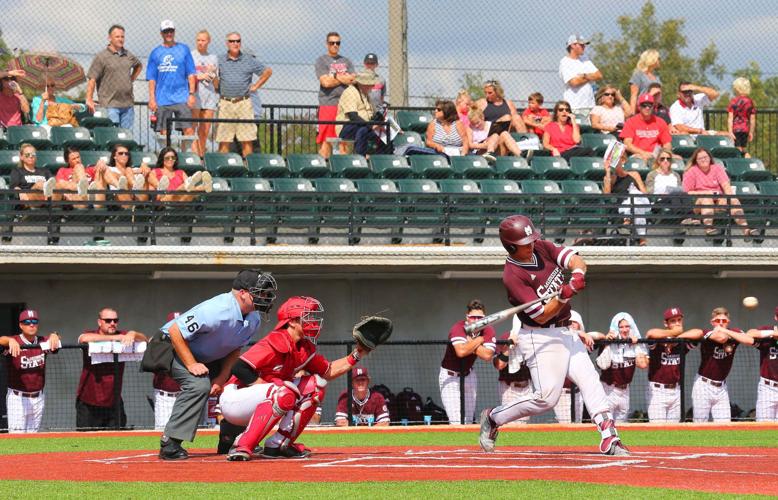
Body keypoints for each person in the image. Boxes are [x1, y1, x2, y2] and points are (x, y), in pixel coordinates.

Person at [479, 215, 628, 456]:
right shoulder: (512, 276)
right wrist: (564, 295)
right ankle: (494, 417)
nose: (531, 244)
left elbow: (575, 259)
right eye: (525, 242)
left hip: (566, 329)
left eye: (531, 239)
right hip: (539, 337)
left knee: (589, 377)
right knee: (546, 398)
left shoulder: (541, 247)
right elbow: (541, 316)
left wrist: (577, 274)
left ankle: (610, 436)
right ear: (511, 246)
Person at [217, 296, 372, 461]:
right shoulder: (274, 341)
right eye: (306, 317)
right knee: (284, 391)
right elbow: (239, 367)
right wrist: (270, 388)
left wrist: (358, 353)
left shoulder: (303, 347)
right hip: (234, 399)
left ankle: (278, 445)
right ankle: (243, 445)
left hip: (266, 400)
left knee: (316, 386)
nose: (313, 321)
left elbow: (328, 371)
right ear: (291, 322)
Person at [157, 269, 278, 460]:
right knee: (198, 385)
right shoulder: (216, 309)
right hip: (170, 345)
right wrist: (191, 364)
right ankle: (170, 443)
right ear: (243, 293)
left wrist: (222, 378)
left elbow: (234, 349)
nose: (264, 297)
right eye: (259, 292)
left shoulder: (253, 317)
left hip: (208, 355)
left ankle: (231, 439)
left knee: (238, 384)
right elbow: (175, 331)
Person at [76, 307, 147, 430]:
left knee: (116, 439)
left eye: (115, 320)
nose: (112, 323)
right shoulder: (92, 334)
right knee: (85, 441)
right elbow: (83, 338)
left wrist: (133, 333)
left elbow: (144, 339)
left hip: (113, 401)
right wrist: (114, 338)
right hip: (88, 401)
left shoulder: (123, 335)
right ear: (100, 322)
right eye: (108, 320)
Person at [0, 310, 61, 433]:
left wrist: (55, 334)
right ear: (21, 325)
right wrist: (10, 341)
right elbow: (1, 339)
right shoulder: (15, 340)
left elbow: (56, 339)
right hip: (18, 398)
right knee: (17, 439)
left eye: (34, 322)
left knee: (33, 438)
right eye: (27, 322)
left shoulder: (42, 341)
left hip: (38, 398)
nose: (31, 325)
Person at [682, 147, 759, 239]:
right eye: (700, 158)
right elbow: (687, 192)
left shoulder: (717, 168)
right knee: (707, 199)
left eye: (706, 157)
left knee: (734, 200)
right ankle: (709, 229)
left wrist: (726, 198)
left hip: (718, 201)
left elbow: (726, 186)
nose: (704, 160)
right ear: (696, 160)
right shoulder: (691, 171)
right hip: (698, 203)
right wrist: (706, 193)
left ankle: (746, 231)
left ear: (710, 158)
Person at [439, 299, 496, 425]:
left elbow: (487, 356)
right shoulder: (459, 328)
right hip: (450, 377)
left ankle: (467, 445)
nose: (476, 321)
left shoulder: (488, 330)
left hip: (469, 375)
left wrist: (470, 344)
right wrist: (479, 340)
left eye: (479, 317)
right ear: (467, 317)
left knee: (468, 421)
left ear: (485, 318)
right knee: (456, 421)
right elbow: (461, 351)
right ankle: (457, 445)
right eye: (473, 317)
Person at [691, 307, 752, 422]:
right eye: (717, 321)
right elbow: (722, 338)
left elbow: (749, 340)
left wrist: (727, 331)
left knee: (725, 424)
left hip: (721, 387)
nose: (720, 323)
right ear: (712, 322)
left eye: (724, 321)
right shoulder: (708, 333)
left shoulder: (733, 331)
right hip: (703, 385)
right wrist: (727, 333)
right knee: (700, 424)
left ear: (728, 322)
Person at [217, 32, 271, 157]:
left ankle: (248, 171)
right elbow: (212, 77)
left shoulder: (248, 60)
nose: (235, 43)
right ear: (227, 43)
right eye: (232, 41)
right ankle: (220, 170)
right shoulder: (219, 60)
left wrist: (256, 86)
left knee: (247, 140)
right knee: (224, 139)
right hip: (225, 103)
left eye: (237, 41)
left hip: (244, 103)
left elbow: (267, 71)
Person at [645, 307, 702, 423]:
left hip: (676, 391)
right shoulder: (660, 338)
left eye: (679, 320)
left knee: (674, 430)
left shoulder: (682, 341)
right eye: (673, 321)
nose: (677, 323)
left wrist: (677, 338)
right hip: (657, 391)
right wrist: (673, 334)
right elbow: (650, 333)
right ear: (666, 323)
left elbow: (699, 333)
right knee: (657, 431)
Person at [592, 312, 648, 422]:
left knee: (622, 426)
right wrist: (607, 343)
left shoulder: (635, 344)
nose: (625, 330)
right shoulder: (607, 342)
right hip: (608, 390)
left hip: (625, 390)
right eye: (621, 327)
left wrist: (636, 345)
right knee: (606, 424)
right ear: (615, 328)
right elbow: (603, 365)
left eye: (627, 326)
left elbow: (643, 364)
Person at [85, 24, 142, 129]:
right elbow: (92, 78)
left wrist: (131, 79)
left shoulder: (128, 55)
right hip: (109, 105)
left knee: (127, 137)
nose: (120, 39)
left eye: (122, 36)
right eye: (117, 36)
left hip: (128, 106)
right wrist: (89, 98)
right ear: (109, 38)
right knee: (113, 137)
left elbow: (139, 66)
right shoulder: (101, 57)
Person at [147, 20, 196, 140]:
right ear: (161, 33)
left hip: (182, 98)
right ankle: (166, 157)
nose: (169, 34)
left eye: (171, 31)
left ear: (174, 31)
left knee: (188, 131)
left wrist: (191, 94)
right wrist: (152, 99)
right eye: (166, 31)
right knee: (164, 133)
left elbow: (191, 74)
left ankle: (185, 156)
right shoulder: (155, 53)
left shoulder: (184, 49)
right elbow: (152, 79)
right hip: (162, 99)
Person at [315, 32, 355, 158]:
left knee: (343, 141)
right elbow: (325, 82)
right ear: (327, 44)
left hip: (344, 107)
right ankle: (323, 171)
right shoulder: (321, 60)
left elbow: (353, 80)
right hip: (328, 105)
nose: (335, 45)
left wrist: (335, 76)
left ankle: (342, 172)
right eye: (332, 43)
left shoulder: (346, 61)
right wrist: (342, 77)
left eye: (338, 43)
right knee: (326, 141)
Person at [603, 150, 650, 246]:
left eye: (616, 159)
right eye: (612, 160)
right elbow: (607, 195)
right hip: (621, 206)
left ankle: (627, 222)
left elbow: (644, 193)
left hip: (638, 201)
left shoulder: (634, 174)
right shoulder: (611, 178)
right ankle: (642, 240)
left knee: (635, 202)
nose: (614, 162)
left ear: (623, 161)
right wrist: (607, 172)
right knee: (635, 206)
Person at [492, 320, 532, 424]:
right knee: (510, 423)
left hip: (527, 387)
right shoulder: (506, 336)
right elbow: (499, 365)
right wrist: (508, 346)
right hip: (509, 388)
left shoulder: (532, 337)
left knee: (523, 423)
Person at [335, 71, 382, 156]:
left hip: (365, 125)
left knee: (385, 132)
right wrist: (371, 126)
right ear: (362, 83)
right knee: (363, 130)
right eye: (370, 84)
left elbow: (376, 113)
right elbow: (353, 117)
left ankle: (383, 161)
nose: (373, 86)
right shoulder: (350, 92)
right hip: (347, 127)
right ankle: (360, 159)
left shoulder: (366, 95)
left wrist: (390, 126)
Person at [552, 310, 587, 423]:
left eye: (574, 322)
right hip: (562, 392)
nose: (571, 324)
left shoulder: (584, 340)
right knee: (565, 426)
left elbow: (599, 335)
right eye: (568, 321)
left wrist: (582, 334)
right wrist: (577, 333)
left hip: (578, 391)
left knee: (578, 425)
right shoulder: (558, 339)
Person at [746, 307, 778, 422]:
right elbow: (749, 334)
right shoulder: (768, 330)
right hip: (768, 388)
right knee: (763, 426)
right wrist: (771, 333)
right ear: (776, 317)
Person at [190, 30, 219, 157]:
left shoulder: (213, 58)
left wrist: (213, 74)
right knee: (192, 128)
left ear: (208, 41)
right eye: (198, 40)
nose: (200, 43)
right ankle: (194, 157)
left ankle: (201, 156)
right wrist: (199, 76)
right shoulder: (190, 55)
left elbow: (217, 81)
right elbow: (187, 76)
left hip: (209, 97)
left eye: (203, 40)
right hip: (196, 95)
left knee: (205, 130)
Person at [148, 146, 213, 202]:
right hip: (164, 199)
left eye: (173, 158)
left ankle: (203, 186)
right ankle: (202, 187)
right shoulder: (155, 171)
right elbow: (152, 186)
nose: (170, 159)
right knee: (184, 187)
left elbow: (190, 187)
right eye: (167, 158)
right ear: (162, 159)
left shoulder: (180, 172)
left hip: (182, 201)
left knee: (189, 193)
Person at [620, 93, 672, 161]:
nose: (647, 108)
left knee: (677, 159)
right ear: (639, 107)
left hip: (656, 156)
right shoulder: (631, 121)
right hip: (637, 155)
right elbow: (627, 144)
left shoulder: (660, 122)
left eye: (650, 105)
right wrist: (643, 153)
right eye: (644, 105)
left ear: (653, 106)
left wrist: (662, 155)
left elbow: (667, 144)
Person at [153, 312, 183, 430]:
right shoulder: (159, 343)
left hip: (184, 396)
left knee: (184, 431)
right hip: (164, 396)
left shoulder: (192, 343)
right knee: (161, 431)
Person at [558, 34, 601, 116]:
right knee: (577, 128)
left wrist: (584, 76)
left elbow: (598, 75)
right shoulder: (565, 62)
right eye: (581, 45)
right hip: (575, 107)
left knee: (590, 128)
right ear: (572, 45)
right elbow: (574, 82)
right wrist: (590, 76)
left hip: (590, 106)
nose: (584, 47)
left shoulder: (585, 59)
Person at [727, 78, 757, 158]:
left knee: (737, 149)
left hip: (736, 129)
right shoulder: (750, 102)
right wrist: (751, 132)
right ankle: (748, 162)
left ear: (736, 88)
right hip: (745, 129)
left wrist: (730, 131)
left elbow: (730, 118)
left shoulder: (733, 101)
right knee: (743, 149)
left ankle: (742, 164)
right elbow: (752, 119)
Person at [628, 49, 661, 115]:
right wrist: (632, 114)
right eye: (658, 58)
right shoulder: (638, 74)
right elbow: (634, 95)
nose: (659, 60)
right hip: (642, 109)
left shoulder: (657, 77)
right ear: (652, 59)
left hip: (655, 110)